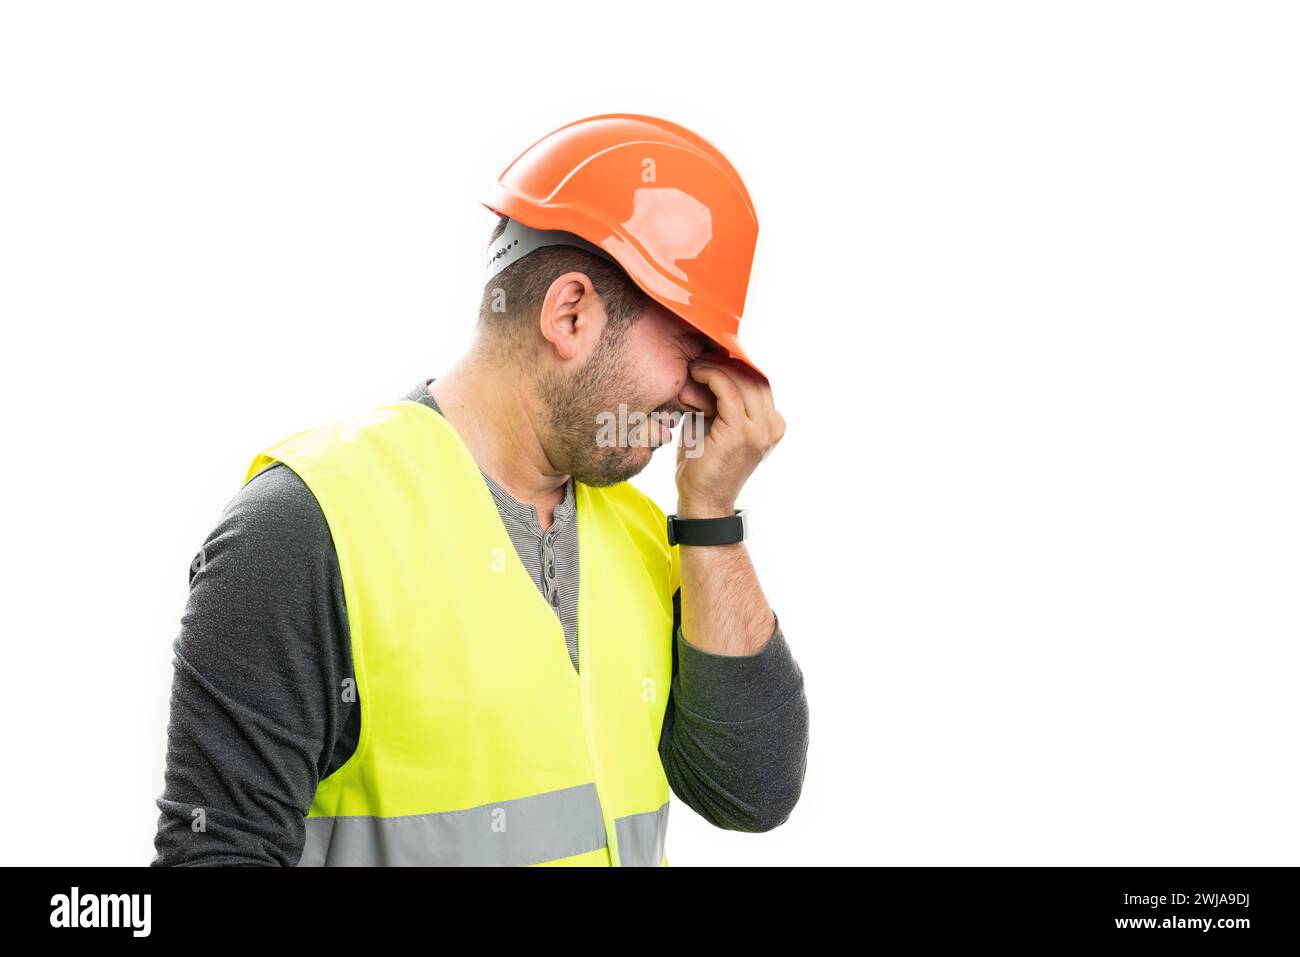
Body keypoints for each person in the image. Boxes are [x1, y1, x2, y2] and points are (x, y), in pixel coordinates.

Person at [152, 114, 809, 866]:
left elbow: (751, 793)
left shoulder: (642, 534)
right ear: (571, 314)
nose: (702, 399)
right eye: (692, 355)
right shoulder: (308, 524)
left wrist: (711, 514)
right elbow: (214, 853)